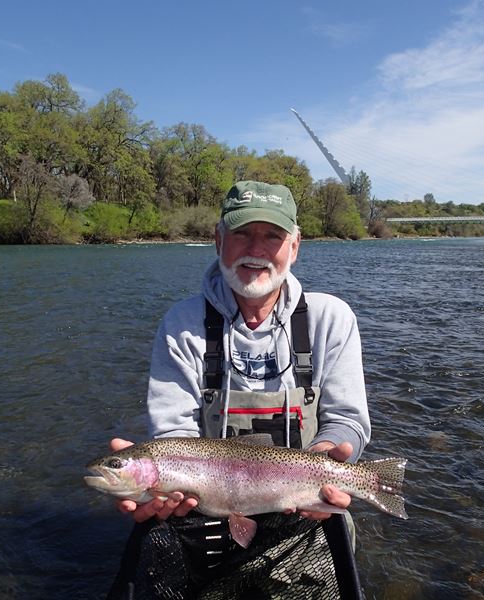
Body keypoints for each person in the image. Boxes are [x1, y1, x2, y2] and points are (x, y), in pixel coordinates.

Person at [107, 180, 371, 599]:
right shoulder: (183, 324)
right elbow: (174, 433)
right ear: (218, 240)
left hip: (305, 507)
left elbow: (346, 421)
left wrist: (328, 456)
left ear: (295, 246)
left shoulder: (331, 319)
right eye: (243, 233)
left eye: (273, 236)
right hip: (205, 511)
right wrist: (161, 485)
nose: (257, 249)